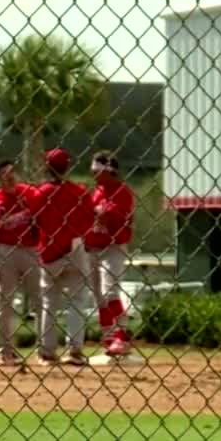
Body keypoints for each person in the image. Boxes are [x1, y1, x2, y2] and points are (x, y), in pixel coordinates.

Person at [30, 148, 95, 366]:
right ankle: (74, 351)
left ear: (46, 167)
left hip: (49, 250)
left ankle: (47, 353)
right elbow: (89, 220)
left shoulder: (40, 193)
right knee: (77, 301)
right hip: (75, 249)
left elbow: (34, 220)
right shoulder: (80, 191)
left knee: (49, 302)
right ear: (67, 167)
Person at [0, 159, 41, 366]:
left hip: (32, 250)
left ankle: (44, 350)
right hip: (6, 251)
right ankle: (6, 351)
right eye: (5, 174)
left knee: (40, 301)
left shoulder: (30, 193)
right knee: (5, 303)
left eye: (13, 172)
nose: (11, 176)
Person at [84, 150, 136, 357]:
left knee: (110, 292)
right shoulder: (97, 191)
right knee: (98, 295)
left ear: (109, 171)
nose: (93, 173)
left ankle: (122, 337)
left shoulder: (122, 192)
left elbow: (111, 217)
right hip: (93, 246)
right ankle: (109, 337)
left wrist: (93, 212)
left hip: (113, 247)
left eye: (97, 170)